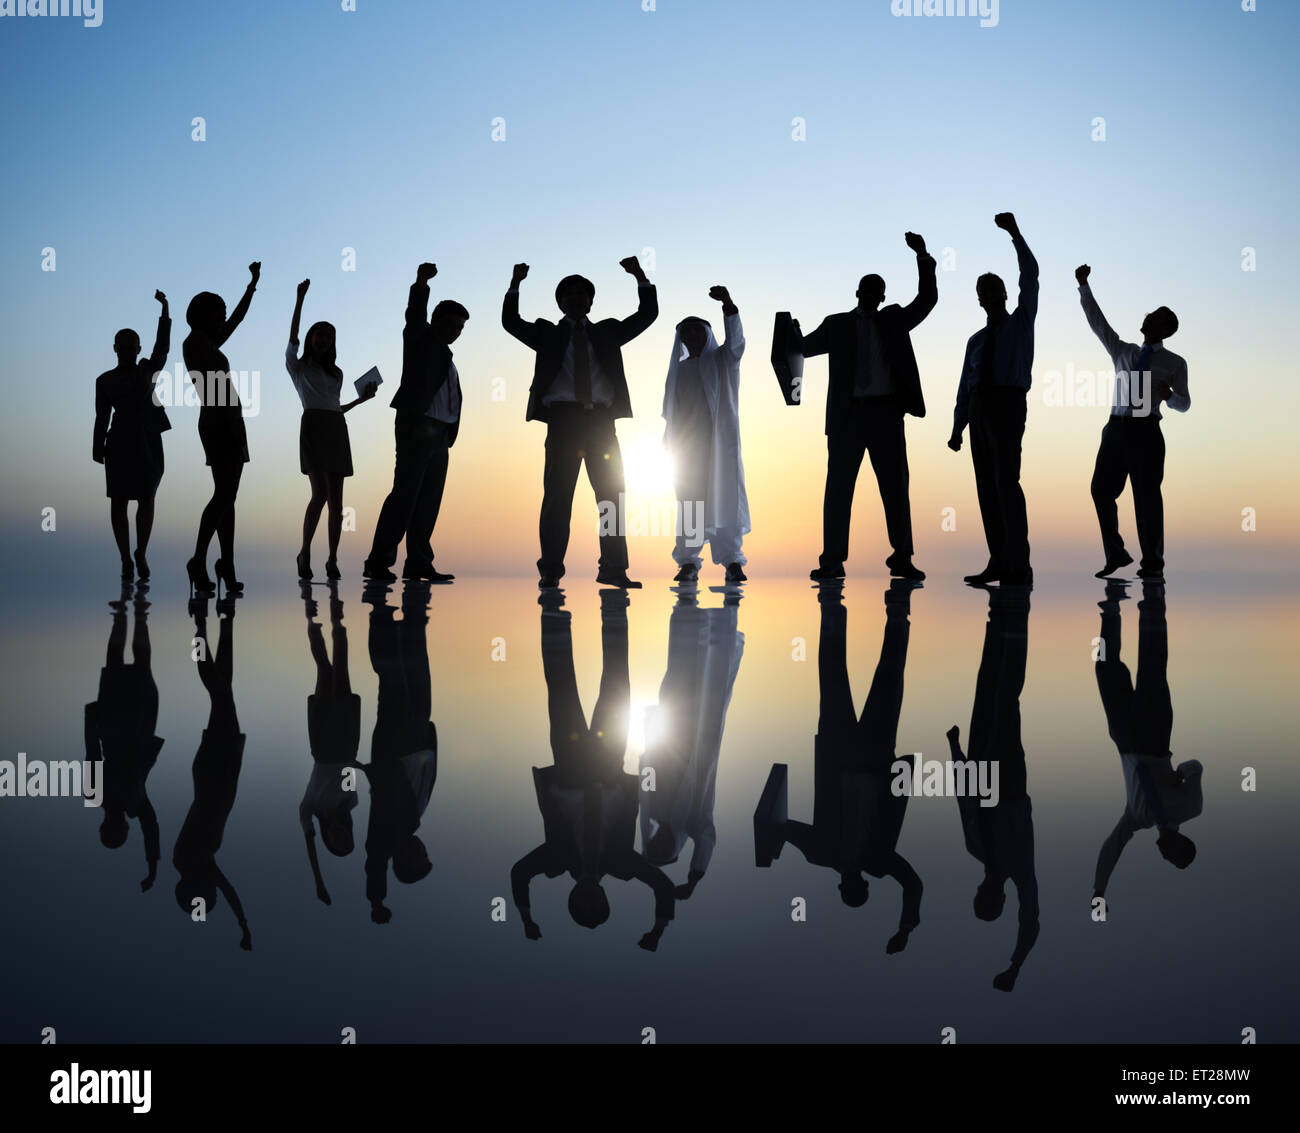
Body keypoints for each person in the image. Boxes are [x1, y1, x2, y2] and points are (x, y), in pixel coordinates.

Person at [755, 580, 924, 955]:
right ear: (863, 886)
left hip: (839, 751)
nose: (854, 884)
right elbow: (913, 885)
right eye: (858, 889)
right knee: (888, 676)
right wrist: (906, 928)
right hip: (875, 756)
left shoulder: (822, 853)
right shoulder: (877, 862)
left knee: (836, 674)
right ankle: (897, 608)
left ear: (842, 888)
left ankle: (833, 603)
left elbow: (782, 829)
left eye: (849, 890)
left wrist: (768, 843)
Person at [511, 589, 675, 950]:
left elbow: (519, 874)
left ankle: (552, 608)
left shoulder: (556, 860)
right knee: (618, 685)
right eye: (596, 903)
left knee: (560, 686)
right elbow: (663, 887)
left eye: (581, 904)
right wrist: (657, 931)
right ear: (604, 898)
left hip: (570, 767)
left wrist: (526, 917)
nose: (589, 898)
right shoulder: (622, 864)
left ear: (572, 898)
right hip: (607, 765)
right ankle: (614, 608)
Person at [503, 257, 658, 589]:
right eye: (568, 295)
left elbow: (647, 315)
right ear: (560, 303)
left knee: (611, 497)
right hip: (563, 424)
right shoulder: (546, 333)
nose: (575, 299)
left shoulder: (608, 331)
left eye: (581, 294)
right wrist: (515, 283)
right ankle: (551, 570)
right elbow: (511, 322)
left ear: (590, 301)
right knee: (559, 497)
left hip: (602, 424)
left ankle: (614, 569)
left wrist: (639, 276)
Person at [792, 233, 937, 582]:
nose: (870, 295)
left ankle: (902, 557)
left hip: (886, 414)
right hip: (847, 417)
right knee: (838, 490)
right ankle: (831, 561)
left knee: (895, 488)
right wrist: (789, 331)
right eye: (865, 290)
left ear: (883, 297)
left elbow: (928, 298)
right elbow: (803, 349)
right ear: (857, 293)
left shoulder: (894, 319)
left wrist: (922, 256)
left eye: (876, 291)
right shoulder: (837, 324)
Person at [946, 586, 1038, 992]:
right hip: (1009, 779)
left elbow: (964, 800)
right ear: (1000, 899)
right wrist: (1015, 966)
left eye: (980, 898)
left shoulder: (975, 849)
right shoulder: (1020, 872)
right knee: (1006, 697)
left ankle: (998, 610)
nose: (987, 893)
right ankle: (1018, 612)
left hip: (983, 767)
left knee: (987, 687)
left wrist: (955, 751)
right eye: (991, 900)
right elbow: (1032, 920)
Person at [1076, 264, 1190, 580]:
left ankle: (1152, 562)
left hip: (1147, 431)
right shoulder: (1123, 352)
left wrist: (1169, 395)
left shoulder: (1174, 363)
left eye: (1154, 317)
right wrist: (1084, 286)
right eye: (1149, 313)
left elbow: (1185, 403)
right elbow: (1099, 325)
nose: (1147, 317)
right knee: (1101, 489)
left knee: (1147, 498)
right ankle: (1116, 553)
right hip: (1116, 428)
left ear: (1164, 329)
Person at [1092, 580, 1201, 907]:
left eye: (1169, 861)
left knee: (1103, 668)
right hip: (1155, 736)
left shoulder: (1137, 817)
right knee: (1152, 663)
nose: (1166, 856)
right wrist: (1180, 773)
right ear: (1183, 843)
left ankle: (1111, 607)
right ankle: (1153, 598)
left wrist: (1099, 891)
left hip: (1124, 736)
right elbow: (1196, 767)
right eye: (1175, 856)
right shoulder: (1190, 808)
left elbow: (1112, 847)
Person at [363, 263, 468, 583]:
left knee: (428, 501)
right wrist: (421, 283)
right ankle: (378, 561)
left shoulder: (446, 356)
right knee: (405, 495)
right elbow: (415, 316)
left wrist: (448, 432)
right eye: (450, 323)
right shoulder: (420, 339)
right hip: (417, 428)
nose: (455, 330)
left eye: (460, 327)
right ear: (436, 321)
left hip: (440, 435)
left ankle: (419, 562)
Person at [948, 214, 1038, 586]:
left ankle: (1019, 563)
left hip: (1008, 405)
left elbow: (1030, 277)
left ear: (1004, 294)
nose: (986, 296)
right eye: (981, 292)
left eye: (992, 289)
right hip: (979, 409)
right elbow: (964, 387)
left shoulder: (1020, 324)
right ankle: (999, 560)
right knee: (987, 488)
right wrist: (957, 427)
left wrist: (1015, 235)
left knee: (1006, 483)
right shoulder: (975, 341)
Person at [287, 279, 377, 580]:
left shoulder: (335, 372)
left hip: (336, 427)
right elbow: (293, 337)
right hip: (313, 426)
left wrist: (360, 401)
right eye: (320, 334)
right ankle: (305, 551)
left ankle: (333, 559)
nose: (324, 339)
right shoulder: (297, 366)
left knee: (337, 501)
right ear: (312, 337)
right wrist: (300, 299)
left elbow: (335, 407)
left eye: (329, 336)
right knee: (319, 495)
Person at [661, 286, 750, 584]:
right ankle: (688, 562)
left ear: (706, 334)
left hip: (719, 444)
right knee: (690, 503)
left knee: (725, 497)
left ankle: (732, 562)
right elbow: (674, 411)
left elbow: (737, 342)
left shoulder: (724, 361)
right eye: (686, 333)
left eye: (696, 332)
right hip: (687, 448)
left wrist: (728, 304)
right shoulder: (681, 370)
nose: (691, 337)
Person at [184, 262, 260, 596]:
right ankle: (199, 560)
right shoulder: (195, 342)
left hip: (229, 421)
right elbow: (215, 392)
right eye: (219, 312)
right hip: (218, 423)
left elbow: (237, 320)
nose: (223, 318)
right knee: (223, 495)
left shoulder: (207, 342)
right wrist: (231, 422)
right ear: (204, 314)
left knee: (229, 498)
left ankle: (226, 563)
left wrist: (252, 284)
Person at [92, 290, 171, 581]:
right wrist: (97, 447)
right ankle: (126, 558)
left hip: (148, 442)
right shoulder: (105, 380)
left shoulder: (148, 370)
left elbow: (162, 348)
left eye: (131, 346)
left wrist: (165, 311)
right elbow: (101, 416)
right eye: (122, 346)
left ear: (138, 349)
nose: (126, 350)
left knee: (147, 498)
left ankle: (141, 552)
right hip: (119, 443)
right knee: (119, 501)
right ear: (115, 348)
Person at [298, 583, 362, 907]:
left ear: (328, 838)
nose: (341, 836)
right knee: (342, 666)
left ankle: (311, 617)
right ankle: (337, 616)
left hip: (323, 742)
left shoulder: (310, 812)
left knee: (325, 669)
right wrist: (363, 766)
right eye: (347, 839)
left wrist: (319, 882)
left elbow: (310, 849)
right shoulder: (350, 804)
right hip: (347, 741)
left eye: (337, 842)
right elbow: (349, 771)